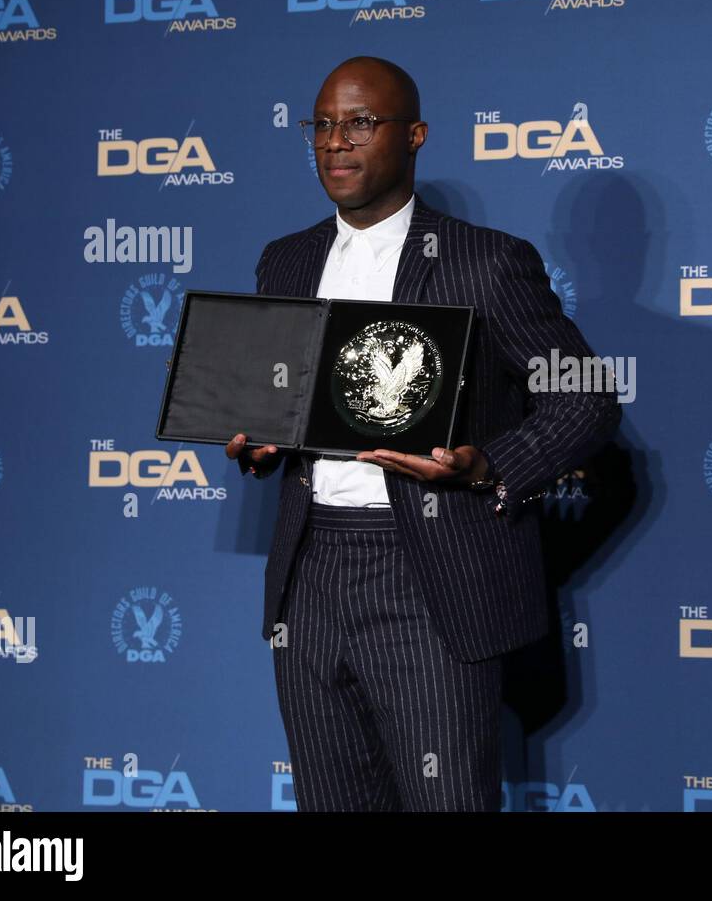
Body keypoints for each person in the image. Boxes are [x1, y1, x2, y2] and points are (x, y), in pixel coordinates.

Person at [223, 56, 621, 811]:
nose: (337, 142)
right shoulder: (287, 260)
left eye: (361, 123)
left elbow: (588, 399)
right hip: (310, 574)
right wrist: (264, 443)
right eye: (323, 125)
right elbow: (284, 402)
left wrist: (485, 467)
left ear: (415, 136)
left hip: (430, 573)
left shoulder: (485, 261)